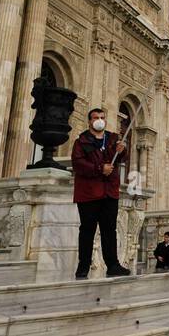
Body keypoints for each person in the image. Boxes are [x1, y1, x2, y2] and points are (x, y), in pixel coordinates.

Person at [70, 107, 130, 279]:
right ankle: (83, 268)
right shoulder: (81, 142)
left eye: (102, 117)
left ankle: (113, 265)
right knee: (87, 230)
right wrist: (99, 168)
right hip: (88, 193)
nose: (99, 120)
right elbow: (78, 164)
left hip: (109, 192)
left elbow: (120, 159)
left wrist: (122, 151)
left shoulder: (112, 139)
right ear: (89, 121)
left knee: (109, 229)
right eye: (96, 117)